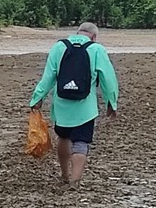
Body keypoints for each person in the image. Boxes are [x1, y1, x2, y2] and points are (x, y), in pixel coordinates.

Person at [30, 22, 119, 188]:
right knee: (81, 142)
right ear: (94, 36)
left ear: (77, 32)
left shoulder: (59, 47)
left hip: (61, 106)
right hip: (85, 107)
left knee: (63, 137)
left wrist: (37, 97)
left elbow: (48, 76)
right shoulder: (97, 49)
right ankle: (75, 180)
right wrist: (111, 102)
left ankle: (64, 174)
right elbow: (108, 79)